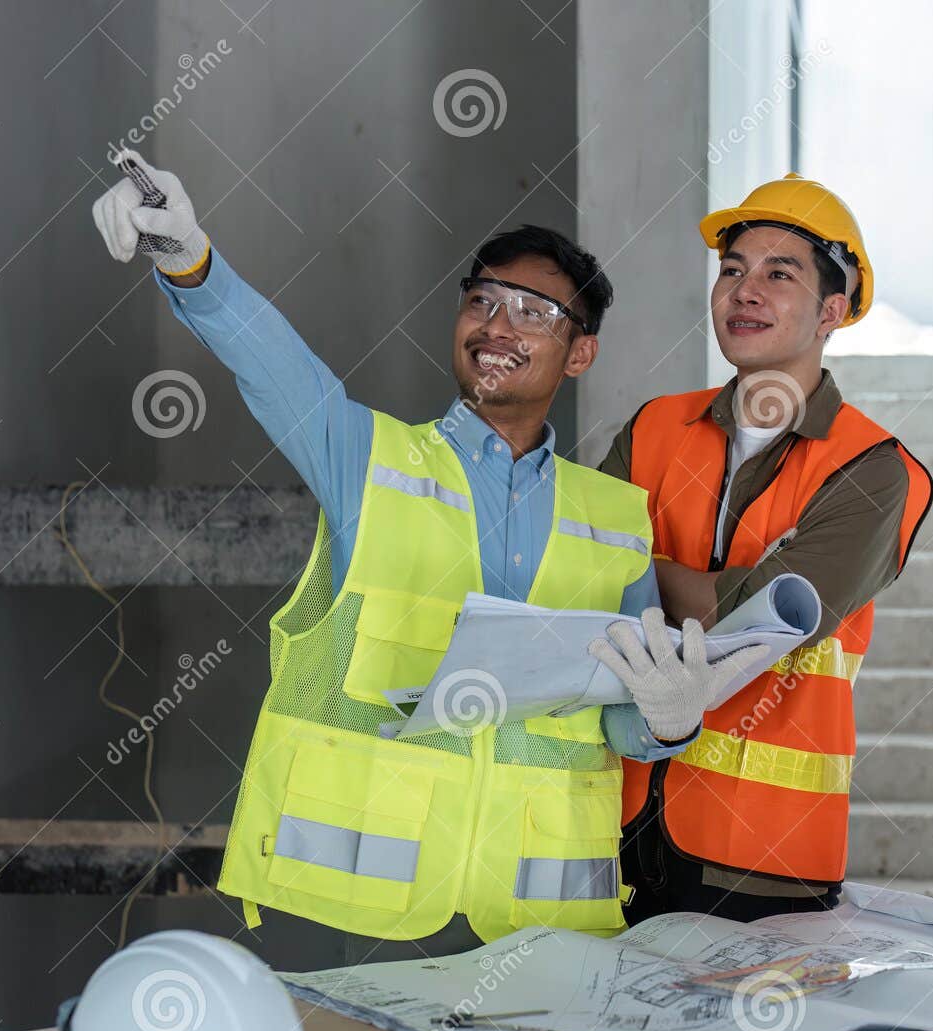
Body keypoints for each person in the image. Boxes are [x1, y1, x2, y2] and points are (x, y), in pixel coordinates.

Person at [90, 152, 767, 961]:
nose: (497, 325)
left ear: (579, 354)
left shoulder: (616, 519)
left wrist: (669, 718)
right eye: (481, 300)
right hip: (361, 913)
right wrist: (190, 260)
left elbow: (618, 724)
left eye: (532, 310)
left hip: (541, 929)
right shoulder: (369, 459)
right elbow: (276, 370)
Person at [598, 173, 933, 923]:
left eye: (779, 274)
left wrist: (642, 577)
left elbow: (774, 618)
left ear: (833, 311)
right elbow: (578, 575)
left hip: (764, 867)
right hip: (604, 837)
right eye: (732, 271)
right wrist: (724, 586)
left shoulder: (873, 469)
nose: (744, 291)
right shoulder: (655, 428)